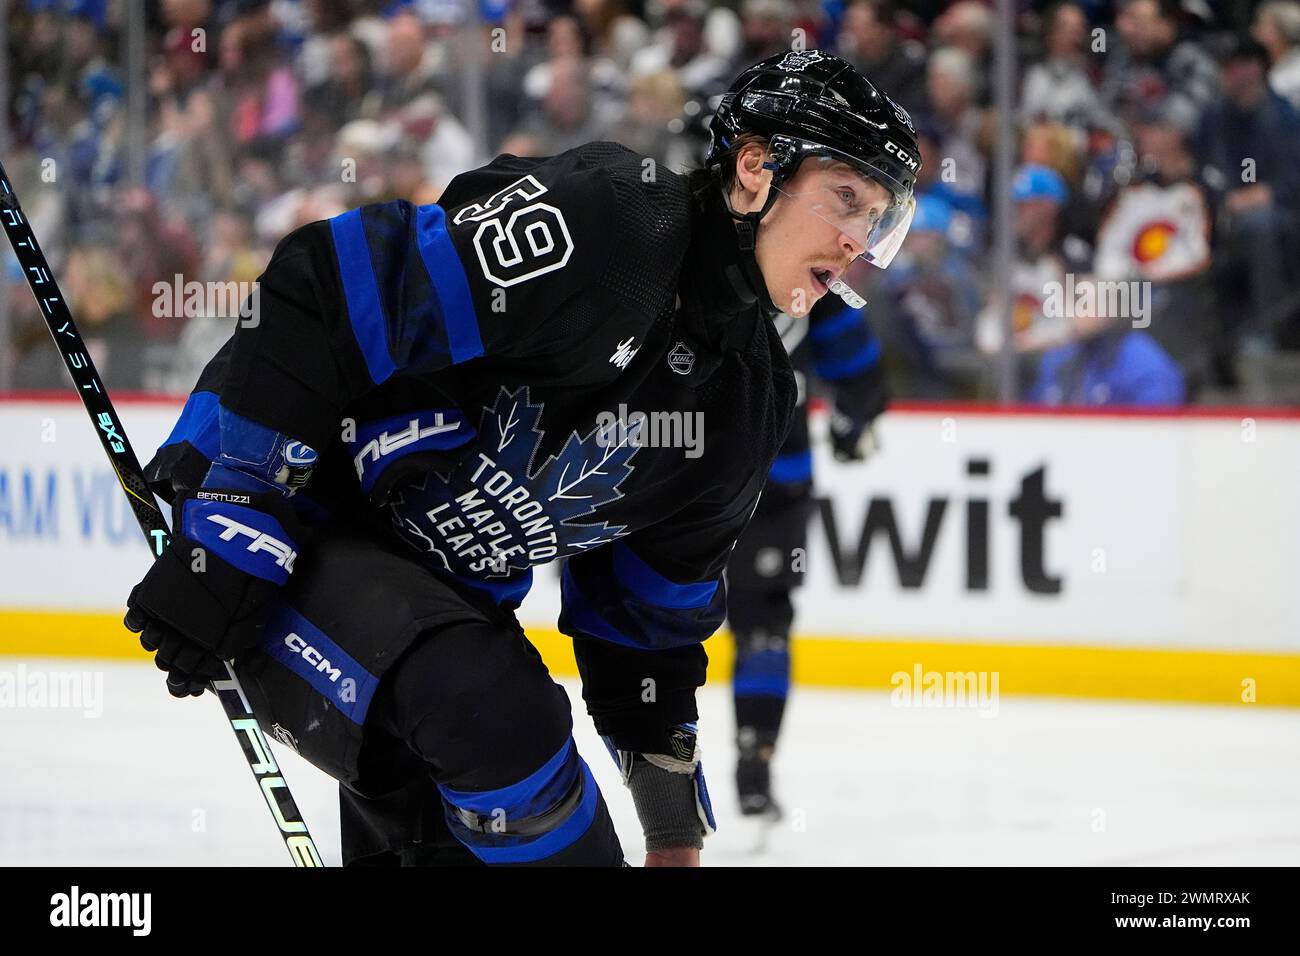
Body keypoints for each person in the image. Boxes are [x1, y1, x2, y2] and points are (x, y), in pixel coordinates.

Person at [123, 49, 920, 867]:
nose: (858, 240)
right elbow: (328, 284)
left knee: (497, 774)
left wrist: (674, 835)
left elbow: (645, 633)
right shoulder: (610, 227)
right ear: (756, 169)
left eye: (877, 218)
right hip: (281, 519)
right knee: (498, 718)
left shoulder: (749, 403)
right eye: (846, 199)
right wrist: (237, 510)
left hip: (433, 608)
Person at [726, 291, 889, 820]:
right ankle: (755, 759)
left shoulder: (669, 235)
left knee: (643, 625)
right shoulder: (812, 257)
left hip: (671, 473)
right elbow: (861, 374)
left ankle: (661, 779)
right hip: (772, 480)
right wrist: (852, 427)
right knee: (764, 625)